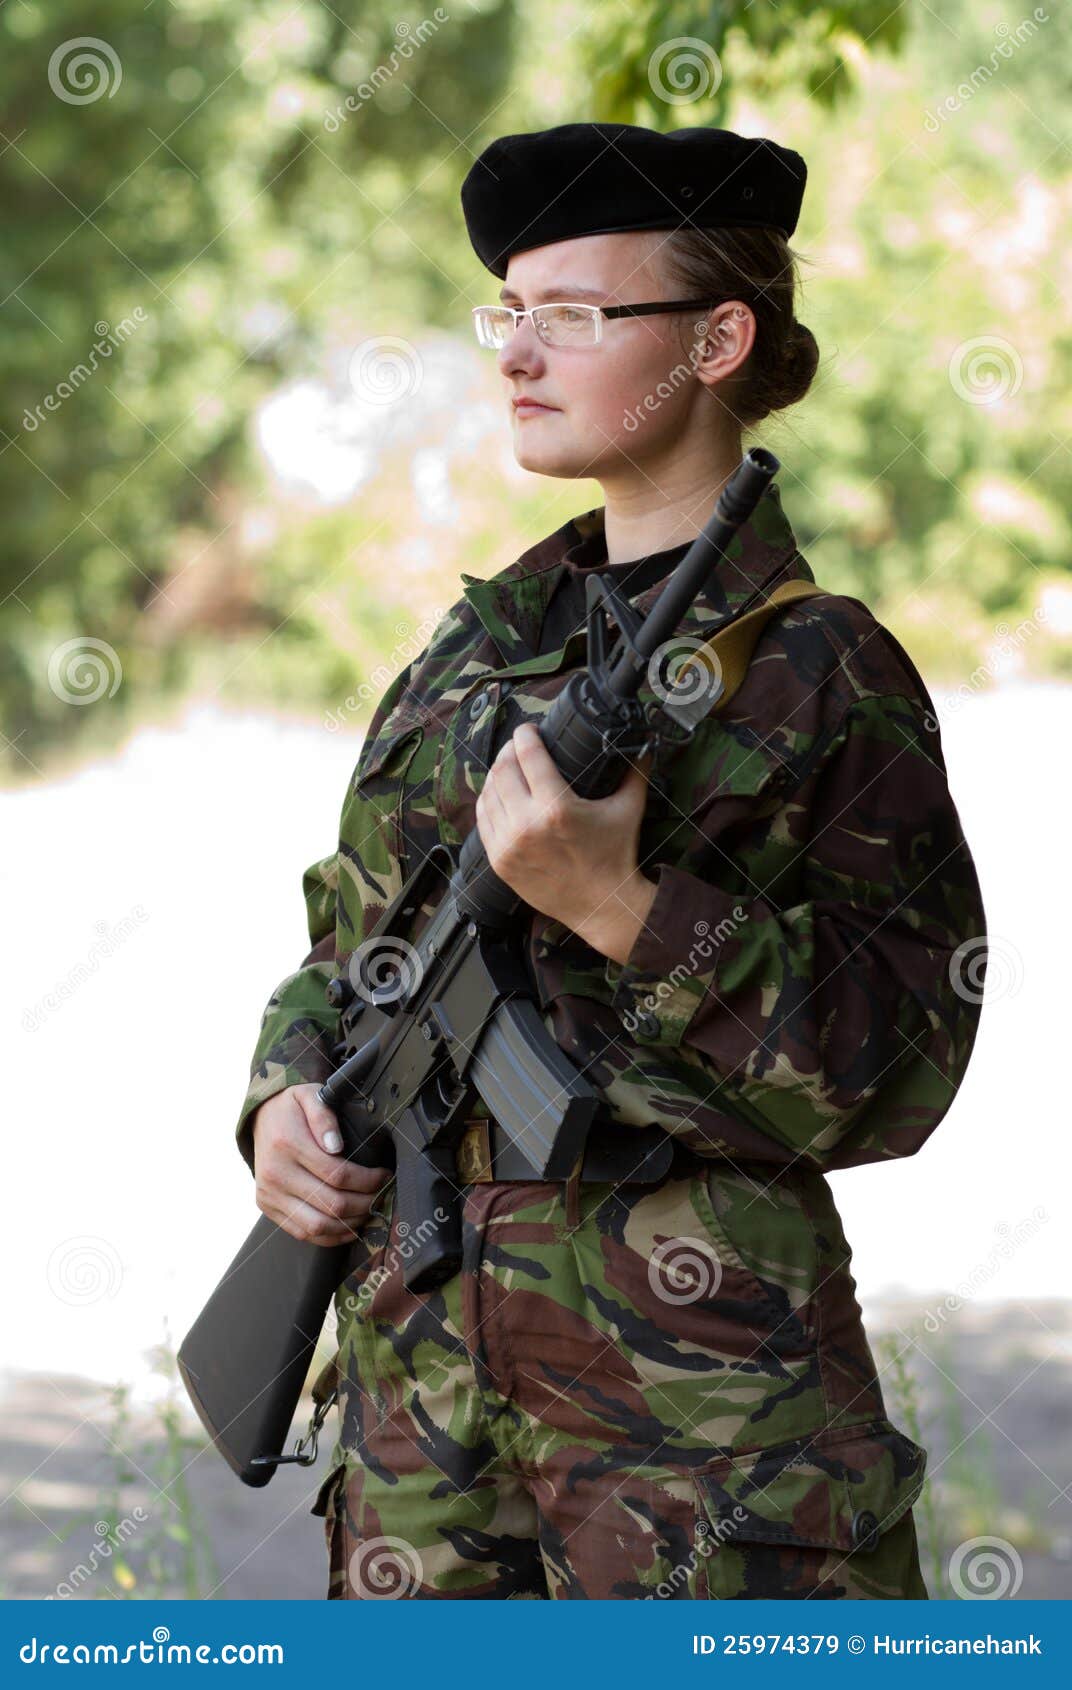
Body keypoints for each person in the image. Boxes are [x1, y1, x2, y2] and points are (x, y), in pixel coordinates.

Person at [234, 122, 987, 1599]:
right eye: (506, 312)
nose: (518, 350)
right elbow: (346, 953)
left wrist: (625, 908)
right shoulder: (470, 652)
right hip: (426, 1426)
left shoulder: (820, 665)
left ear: (719, 336)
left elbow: (899, 1064)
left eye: (573, 314)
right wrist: (282, 1103)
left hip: (703, 1439)